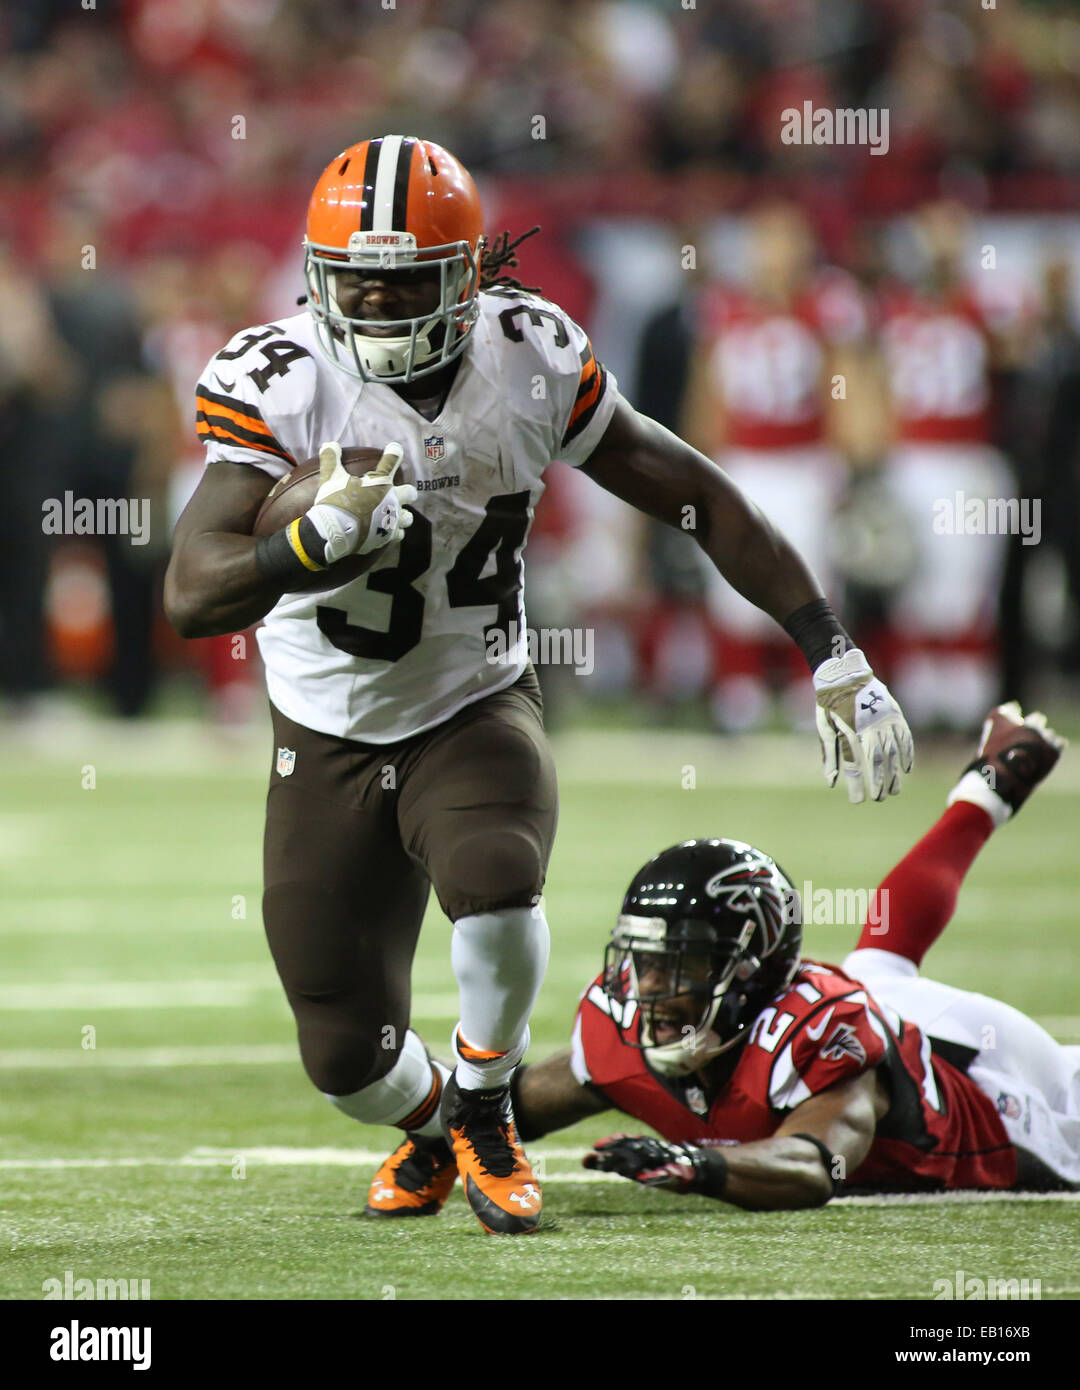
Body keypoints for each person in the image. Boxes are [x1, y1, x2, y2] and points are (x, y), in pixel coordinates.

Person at [165, 135, 913, 1235]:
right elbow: (193, 591)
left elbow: (692, 489)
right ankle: (436, 1123)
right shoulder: (278, 378)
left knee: (495, 875)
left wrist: (828, 645)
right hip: (323, 726)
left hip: (474, 695)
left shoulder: (529, 352)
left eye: (400, 279)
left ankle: (486, 1101)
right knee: (342, 1053)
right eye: (352, 277)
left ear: (466, 276)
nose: (371, 303)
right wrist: (306, 551)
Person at [374, 701, 1076, 1213]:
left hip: (1007, 1089)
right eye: (644, 959)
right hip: (883, 1012)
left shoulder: (819, 1037)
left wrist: (697, 1165)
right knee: (875, 966)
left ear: (750, 969)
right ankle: (990, 787)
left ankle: (988, 789)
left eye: (680, 966)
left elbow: (811, 1165)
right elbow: (503, 1106)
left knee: (874, 977)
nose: (649, 986)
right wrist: (438, 1143)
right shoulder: (625, 1029)